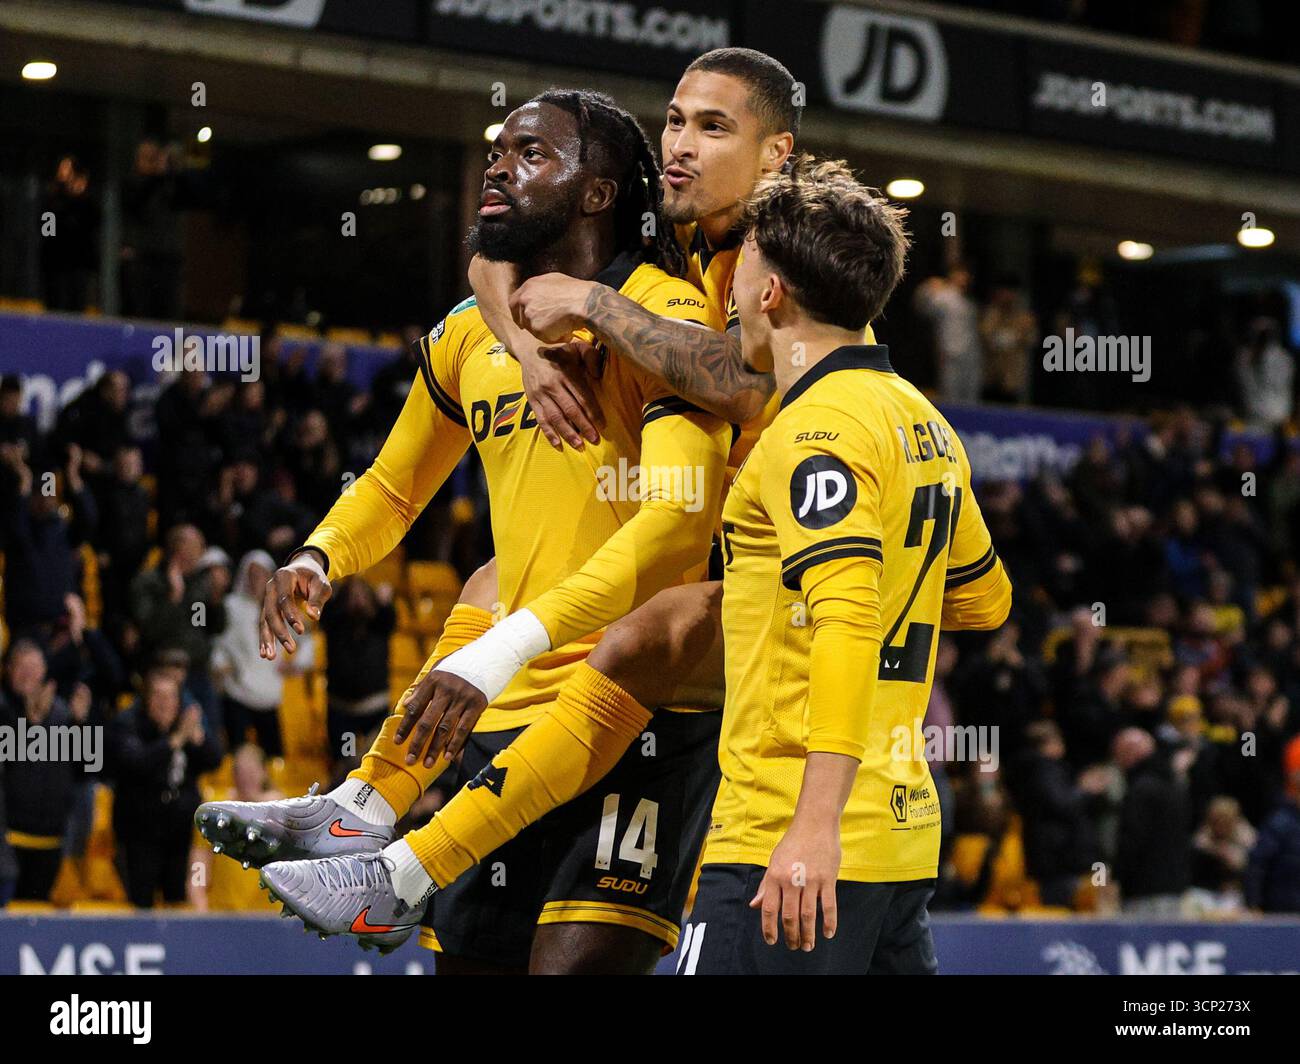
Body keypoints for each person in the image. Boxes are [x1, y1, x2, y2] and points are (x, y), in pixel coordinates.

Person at [200, 88, 732, 973]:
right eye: (497, 150)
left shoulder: (661, 317)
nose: (499, 165)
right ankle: (359, 809)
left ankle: (368, 815)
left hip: (637, 709)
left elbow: (676, 526)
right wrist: (320, 555)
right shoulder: (467, 333)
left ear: (597, 194)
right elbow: (394, 487)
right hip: (503, 714)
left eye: (532, 155)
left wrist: (497, 649)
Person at [675, 160, 1010, 973]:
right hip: (896, 846)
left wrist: (813, 825)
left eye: (743, 265)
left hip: (791, 845)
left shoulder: (811, 431)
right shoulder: (923, 421)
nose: (728, 292)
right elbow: (984, 599)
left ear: (771, 294)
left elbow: (848, 620)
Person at [110, 666, 222, 908]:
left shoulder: (185, 727)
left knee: (177, 899)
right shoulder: (128, 724)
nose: (164, 703)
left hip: (178, 831)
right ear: (146, 699)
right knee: (141, 901)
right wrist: (175, 741)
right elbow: (137, 763)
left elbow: (215, 760)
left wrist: (198, 738)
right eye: (158, 696)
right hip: (139, 832)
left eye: (170, 697)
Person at [212, 550, 314, 757]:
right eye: (252, 574)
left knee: (274, 757)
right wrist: (220, 663)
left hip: (268, 695)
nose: (256, 579)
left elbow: (307, 638)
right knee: (237, 755)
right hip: (237, 693)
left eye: (261, 574)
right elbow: (217, 641)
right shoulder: (230, 606)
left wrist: (298, 664)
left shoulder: (281, 608)